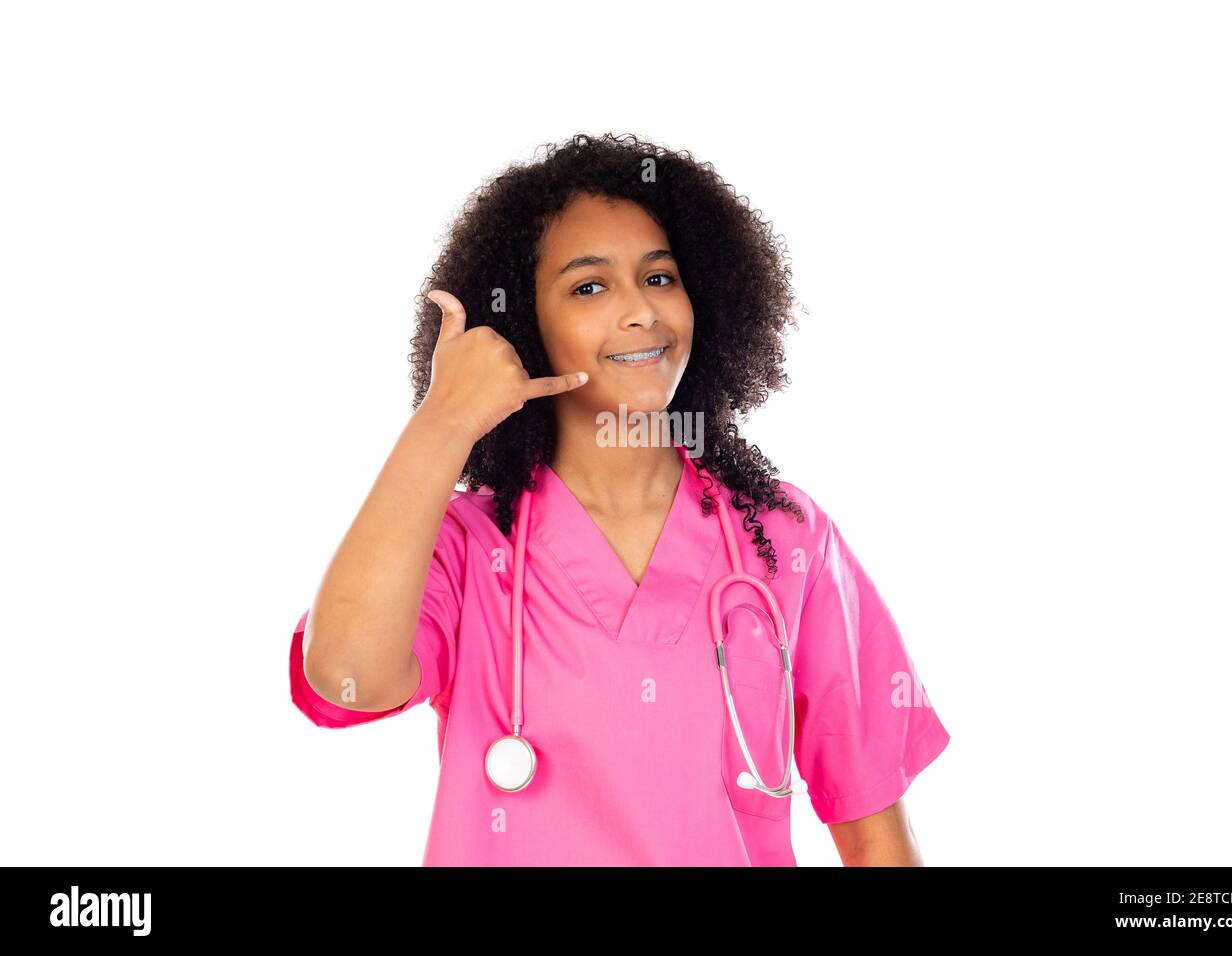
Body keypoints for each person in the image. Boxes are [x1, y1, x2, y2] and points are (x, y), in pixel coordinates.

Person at [288, 132, 950, 866]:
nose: (641, 312)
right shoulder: (468, 547)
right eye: (589, 287)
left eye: (660, 278)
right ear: (523, 330)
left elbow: (871, 828)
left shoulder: (786, 539)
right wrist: (443, 422)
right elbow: (346, 676)